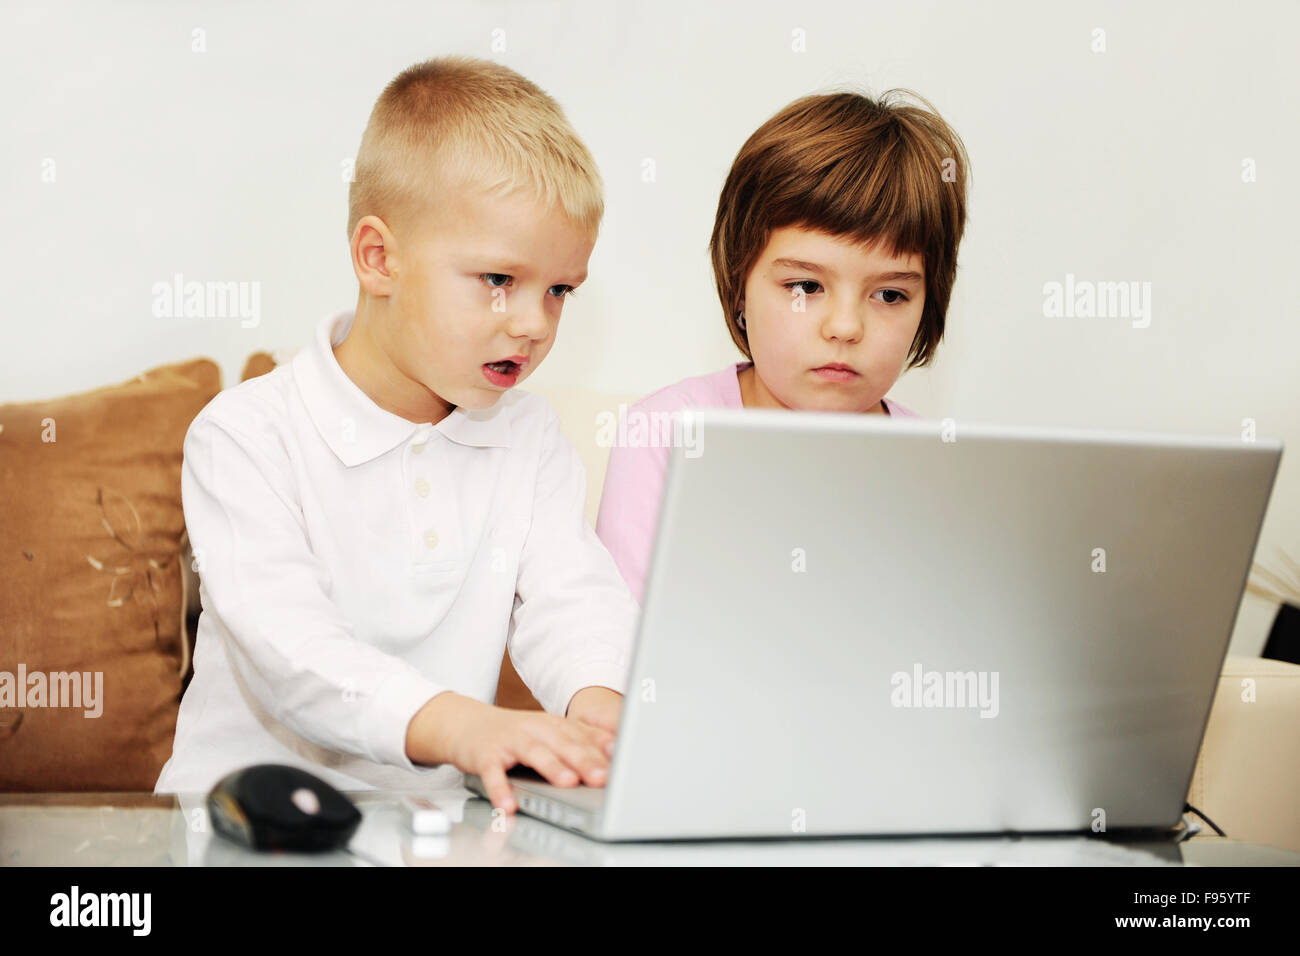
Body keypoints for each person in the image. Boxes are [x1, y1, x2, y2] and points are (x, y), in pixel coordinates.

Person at [155, 56, 635, 814]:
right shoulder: (246, 434)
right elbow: (292, 652)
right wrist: (464, 727)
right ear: (378, 258)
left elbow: (572, 597)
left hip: (428, 827)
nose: (536, 323)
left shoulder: (531, 437)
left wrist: (600, 705)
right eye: (498, 280)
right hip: (237, 823)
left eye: (559, 290)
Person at [597, 89, 970, 603]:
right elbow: (618, 652)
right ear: (739, 283)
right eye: (805, 287)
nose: (845, 327)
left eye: (889, 294)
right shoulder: (665, 433)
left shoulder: (942, 467)